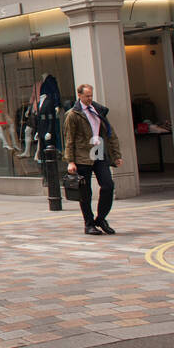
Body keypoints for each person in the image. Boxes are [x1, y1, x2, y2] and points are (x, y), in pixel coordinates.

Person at [64, 83, 123, 235]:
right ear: (80, 96)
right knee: (86, 192)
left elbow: (111, 134)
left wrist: (116, 155)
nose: (90, 98)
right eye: (87, 96)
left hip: (99, 151)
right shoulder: (73, 115)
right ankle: (89, 224)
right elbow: (69, 139)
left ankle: (101, 218)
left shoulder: (98, 110)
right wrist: (70, 161)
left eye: (91, 95)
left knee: (108, 185)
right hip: (82, 155)